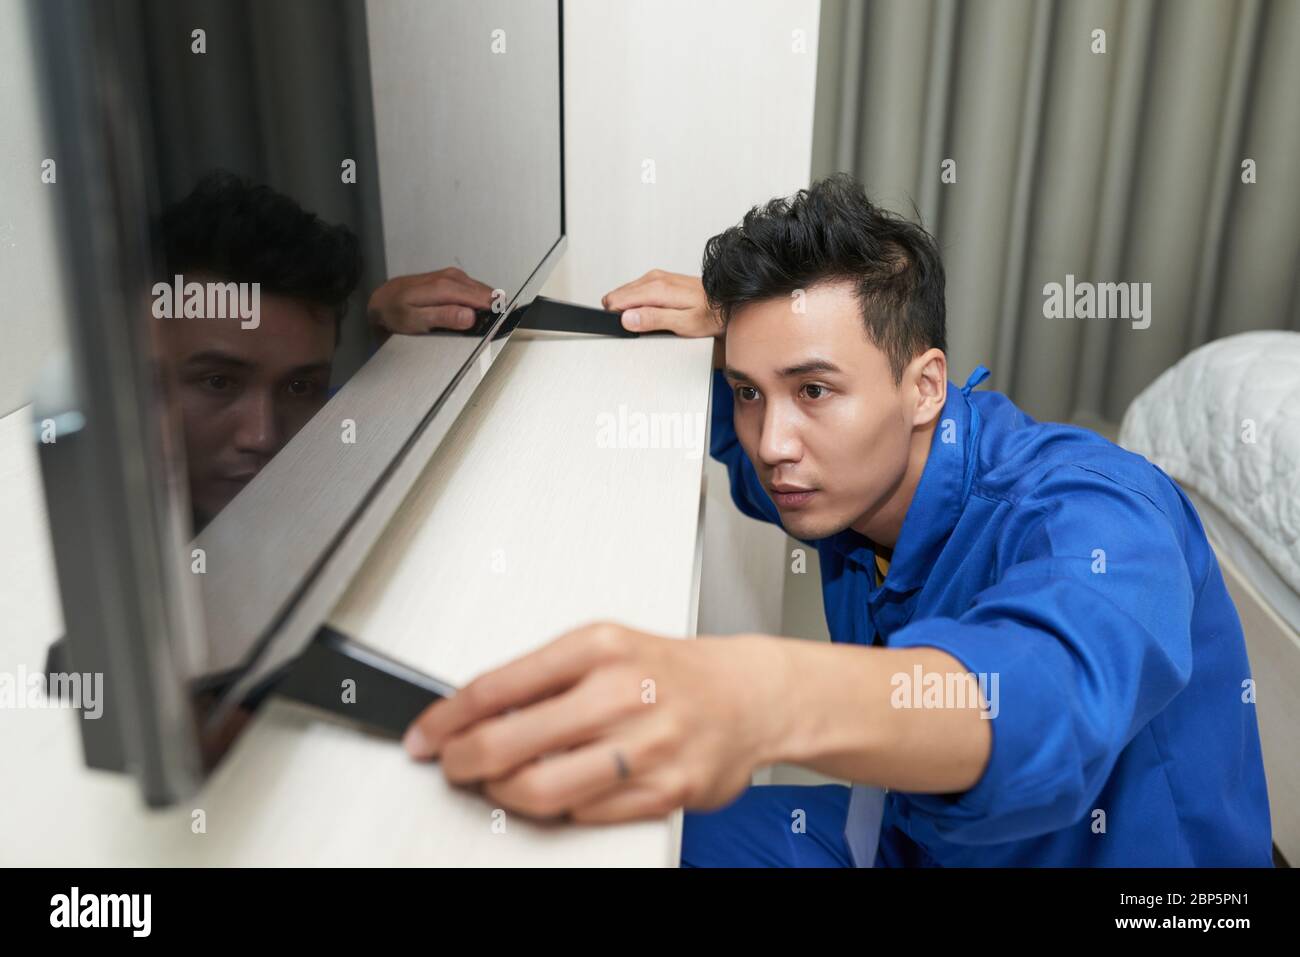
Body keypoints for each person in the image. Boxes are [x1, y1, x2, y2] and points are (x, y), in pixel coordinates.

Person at [400, 172, 1273, 866]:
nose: (773, 442)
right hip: (906, 835)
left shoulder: (1101, 509)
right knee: (611, 835)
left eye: (814, 388)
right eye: (750, 391)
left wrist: (761, 694)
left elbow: (1045, 692)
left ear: (924, 385)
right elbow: (725, 400)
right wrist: (445, 327)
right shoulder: (839, 469)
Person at [154, 170, 494, 531]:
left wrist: (394, 352)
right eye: (219, 382)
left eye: (299, 387)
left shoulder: (325, 434)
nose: (262, 437)